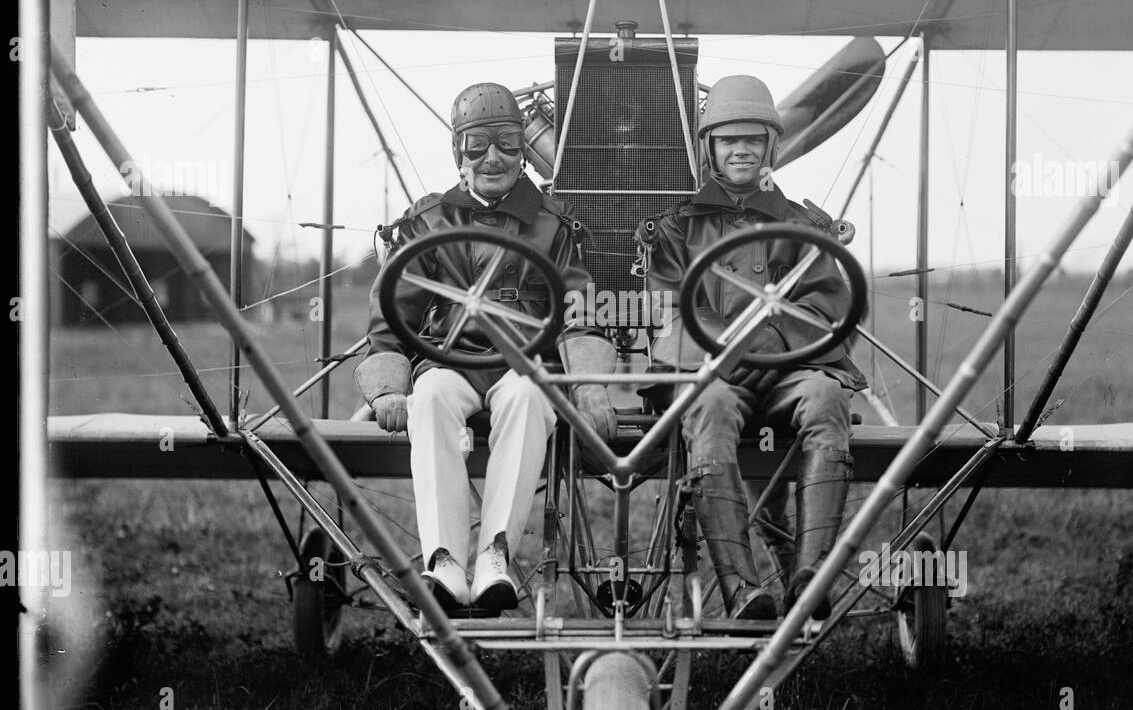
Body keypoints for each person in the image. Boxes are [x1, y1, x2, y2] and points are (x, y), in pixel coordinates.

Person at [355, 82, 617, 615]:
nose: (493, 157)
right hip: (451, 362)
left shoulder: (551, 223)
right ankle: (445, 562)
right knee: (427, 399)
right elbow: (390, 319)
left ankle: (495, 556)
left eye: (507, 143)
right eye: (478, 145)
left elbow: (580, 311)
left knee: (528, 399)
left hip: (527, 364)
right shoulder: (428, 220)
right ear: (458, 152)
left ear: (524, 150)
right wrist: (386, 389)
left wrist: (588, 385)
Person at [645, 75, 865, 620]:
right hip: (715, 373)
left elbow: (830, 310)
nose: (740, 150)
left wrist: (774, 343)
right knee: (711, 408)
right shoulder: (677, 230)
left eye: (751, 140)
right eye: (727, 140)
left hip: (792, 368)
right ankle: (743, 588)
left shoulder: (800, 224)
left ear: (769, 146)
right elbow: (668, 312)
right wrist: (732, 351)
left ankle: (810, 574)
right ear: (709, 148)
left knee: (827, 399)